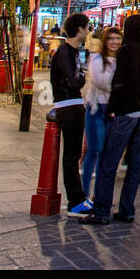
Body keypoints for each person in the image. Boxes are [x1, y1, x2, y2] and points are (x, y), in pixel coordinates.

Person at [88, 16, 140, 225]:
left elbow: (119, 83)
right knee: (134, 165)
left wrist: (113, 109)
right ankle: (127, 210)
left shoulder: (126, 52)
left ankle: (101, 210)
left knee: (109, 161)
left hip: (125, 111)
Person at [51, 14, 94, 217]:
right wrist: (83, 77)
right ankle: (75, 201)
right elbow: (75, 81)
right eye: (87, 28)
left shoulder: (71, 51)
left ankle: (78, 197)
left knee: (73, 154)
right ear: (79, 29)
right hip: (69, 107)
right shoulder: (67, 53)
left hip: (71, 105)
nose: (88, 32)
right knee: (72, 155)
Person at [81, 26, 121, 198]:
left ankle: (101, 195)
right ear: (104, 41)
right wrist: (120, 88)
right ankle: (84, 193)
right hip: (97, 108)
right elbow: (101, 81)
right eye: (111, 38)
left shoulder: (122, 61)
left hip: (113, 110)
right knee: (93, 150)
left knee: (106, 153)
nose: (114, 42)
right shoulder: (97, 59)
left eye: (117, 38)